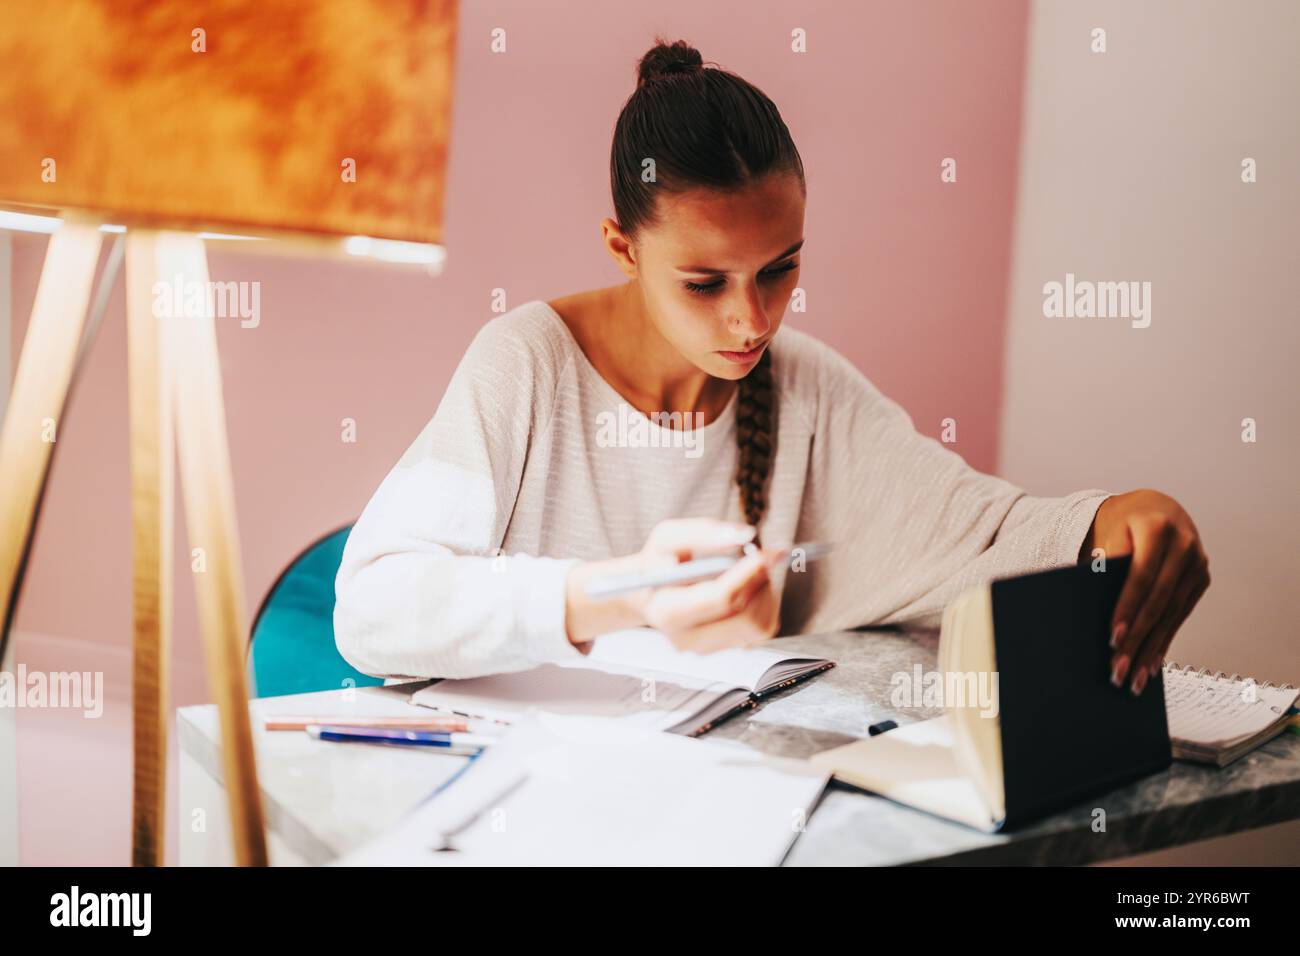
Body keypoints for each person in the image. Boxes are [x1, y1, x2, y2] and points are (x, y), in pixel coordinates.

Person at [334, 38, 1209, 697]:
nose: (750, 321)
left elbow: (971, 534)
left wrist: (1113, 520)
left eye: (780, 269)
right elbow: (372, 609)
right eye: (705, 282)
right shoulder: (527, 362)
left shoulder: (805, 386)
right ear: (621, 249)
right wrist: (621, 595)